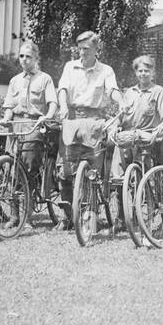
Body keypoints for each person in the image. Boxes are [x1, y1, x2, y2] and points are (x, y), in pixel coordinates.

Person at [56, 31, 122, 209]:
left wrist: (121, 101)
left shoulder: (106, 70)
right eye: (79, 49)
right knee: (65, 169)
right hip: (72, 120)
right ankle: (67, 215)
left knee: (92, 171)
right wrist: (63, 106)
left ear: (96, 49)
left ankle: (91, 212)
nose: (82, 52)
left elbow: (112, 90)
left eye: (86, 48)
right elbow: (62, 89)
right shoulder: (70, 67)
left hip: (95, 122)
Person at [0, 40, 59, 208]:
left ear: (36, 58)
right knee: (11, 165)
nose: (24, 59)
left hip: (34, 124)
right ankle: (14, 214)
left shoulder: (44, 79)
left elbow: (53, 103)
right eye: (21, 56)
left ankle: (27, 209)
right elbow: (9, 106)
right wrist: (6, 118)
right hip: (16, 124)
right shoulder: (14, 80)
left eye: (28, 56)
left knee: (29, 165)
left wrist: (47, 117)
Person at [115, 54, 163, 175]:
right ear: (136, 73)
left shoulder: (157, 91)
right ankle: (119, 181)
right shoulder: (129, 92)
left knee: (144, 164)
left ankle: (145, 181)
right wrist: (115, 126)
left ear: (153, 72)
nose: (143, 74)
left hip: (146, 135)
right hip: (127, 135)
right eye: (140, 71)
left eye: (147, 71)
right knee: (116, 145)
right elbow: (120, 116)